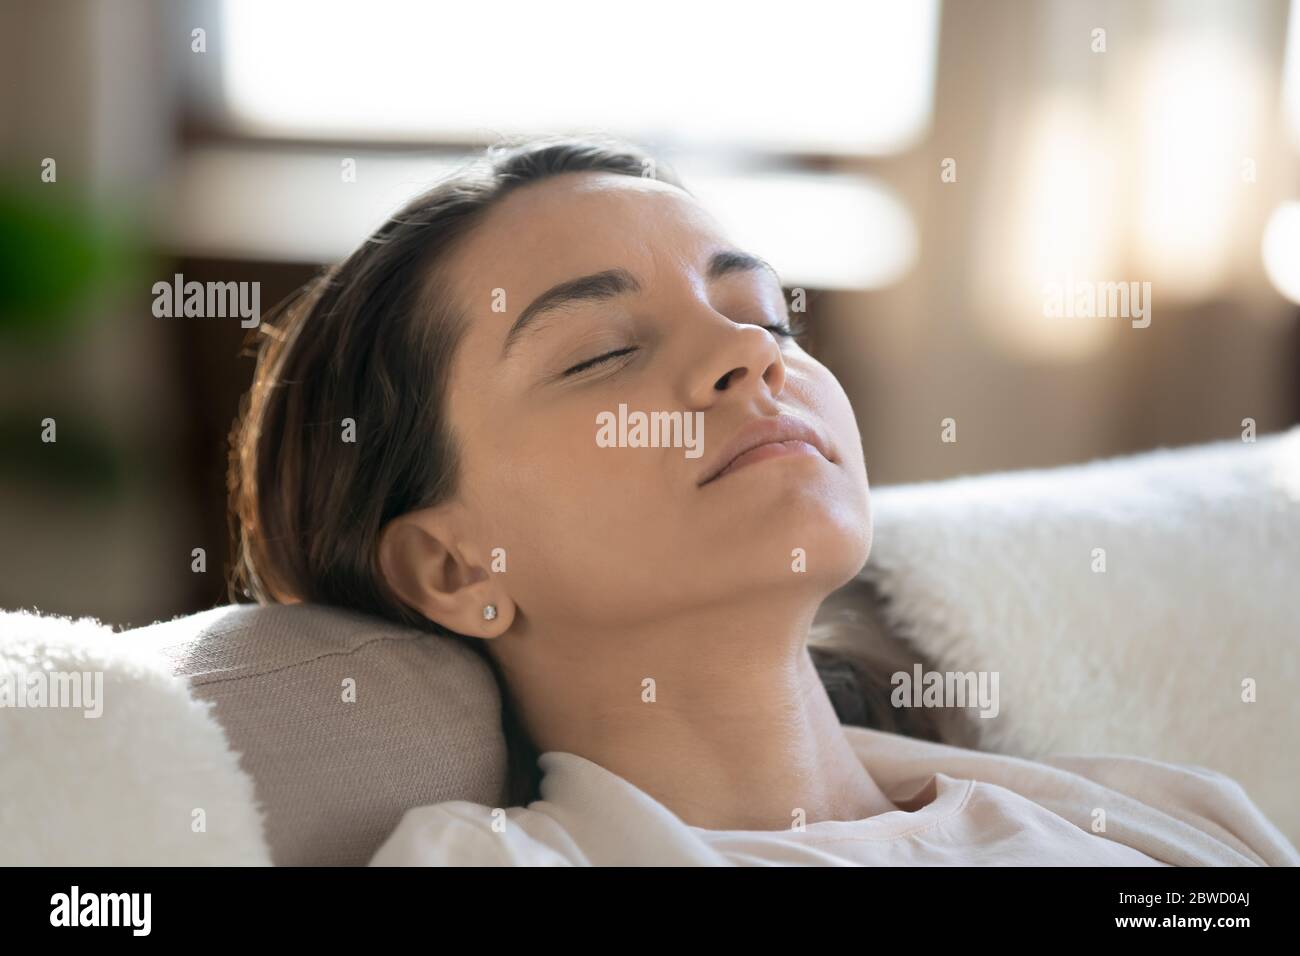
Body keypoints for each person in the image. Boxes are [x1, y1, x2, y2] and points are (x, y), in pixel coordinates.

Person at [228, 135, 1299, 867]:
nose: (748, 351)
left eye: (766, 315)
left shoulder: (1158, 823)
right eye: (602, 354)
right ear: (457, 566)